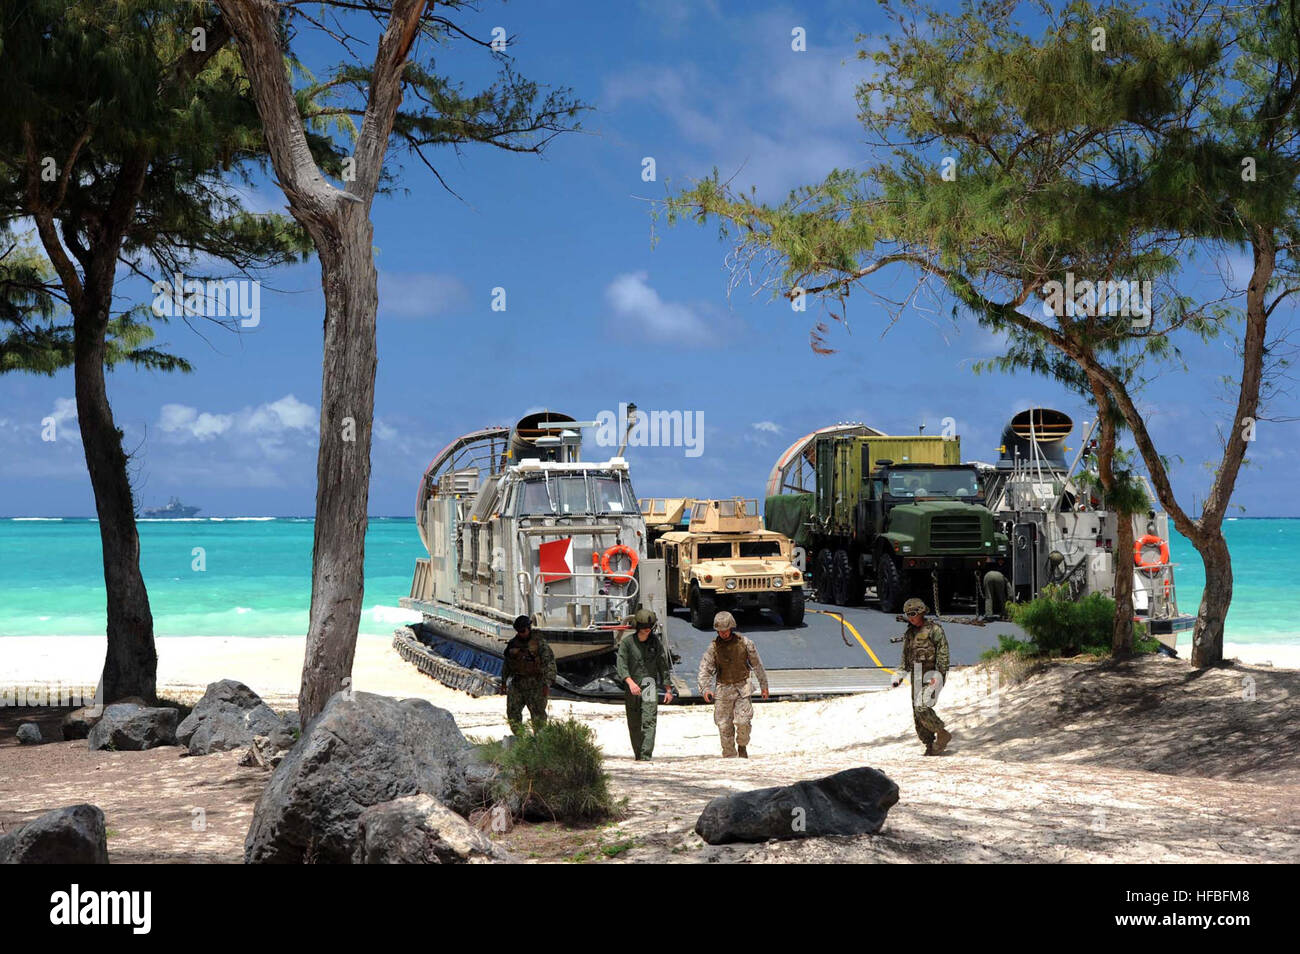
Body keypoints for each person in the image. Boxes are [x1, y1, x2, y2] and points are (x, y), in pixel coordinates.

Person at [697, 611, 769, 758]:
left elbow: (757, 665)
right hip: (723, 689)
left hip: (742, 688)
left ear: (731, 628)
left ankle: (742, 745)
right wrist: (705, 689)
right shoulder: (714, 648)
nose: (723, 634)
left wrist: (764, 686)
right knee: (724, 726)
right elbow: (705, 669)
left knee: (743, 722)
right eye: (720, 631)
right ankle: (729, 755)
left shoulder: (745, 643)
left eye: (725, 631)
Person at [890, 598, 951, 755]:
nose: (910, 617)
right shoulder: (910, 633)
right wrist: (899, 676)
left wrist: (939, 675)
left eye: (913, 614)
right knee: (917, 716)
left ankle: (942, 733)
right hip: (916, 676)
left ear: (921, 613)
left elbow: (943, 655)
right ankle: (929, 745)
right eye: (908, 614)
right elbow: (905, 658)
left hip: (932, 675)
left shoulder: (934, 630)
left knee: (922, 706)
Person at [615, 608, 674, 761]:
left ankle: (646, 756)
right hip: (632, 685)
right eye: (644, 627)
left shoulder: (655, 642)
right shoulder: (627, 643)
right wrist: (629, 682)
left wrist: (668, 689)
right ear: (638, 626)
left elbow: (662, 664)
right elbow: (621, 665)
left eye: (650, 627)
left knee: (649, 721)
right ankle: (638, 755)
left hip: (649, 685)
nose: (647, 630)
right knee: (634, 722)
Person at [502, 615, 556, 734]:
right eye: (518, 631)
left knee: (538, 716)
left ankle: (539, 741)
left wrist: (547, 683)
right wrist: (503, 682)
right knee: (513, 712)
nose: (521, 634)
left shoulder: (539, 644)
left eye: (523, 631)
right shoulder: (513, 644)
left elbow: (550, 663)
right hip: (518, 684)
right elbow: (507, 664)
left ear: (529, 628)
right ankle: (519, 738)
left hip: (536, 684)